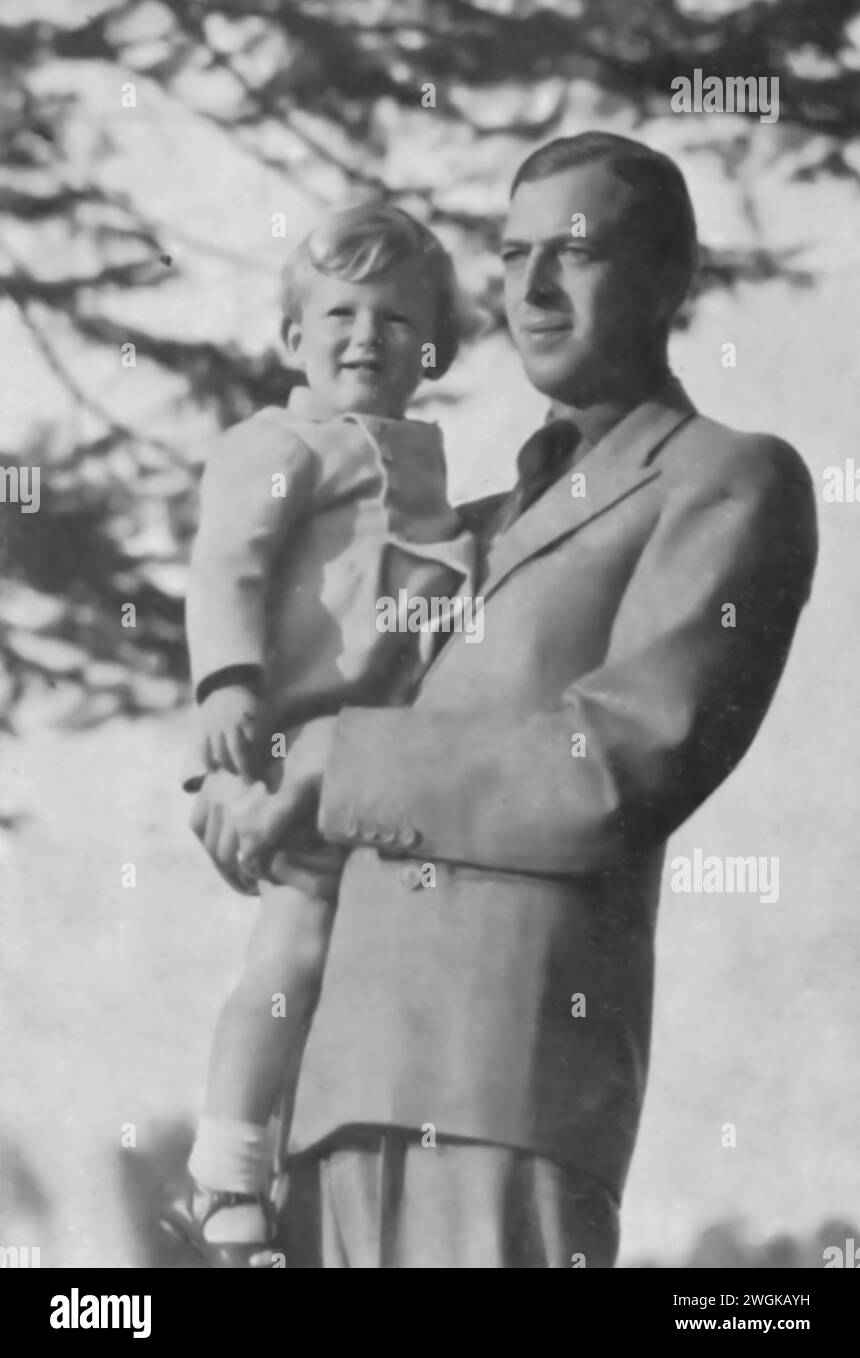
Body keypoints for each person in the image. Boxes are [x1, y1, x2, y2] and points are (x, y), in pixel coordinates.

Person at [191, 132, 818, 1268]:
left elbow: (616, 763)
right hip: (325, 1100)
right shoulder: (457, 527)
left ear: (670, 275)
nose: (529, 287)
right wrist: (246, 784)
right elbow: (309, 657)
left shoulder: (728, 477)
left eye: (571, 253)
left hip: (507, 1090)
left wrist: (337, 758)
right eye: (510, 252)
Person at [164, 203, 476, 1266]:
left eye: (397, 319)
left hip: (374, 760)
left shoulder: (417, 459)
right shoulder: (280, 442)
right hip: (284, 733)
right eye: (339, 312)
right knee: (294, 942)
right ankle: (224, 1165)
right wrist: (226, 685)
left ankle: (309, 1170)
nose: (366, 335)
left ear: (430, 347)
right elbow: (224, 564)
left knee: (354, 970)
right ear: (293, 338)